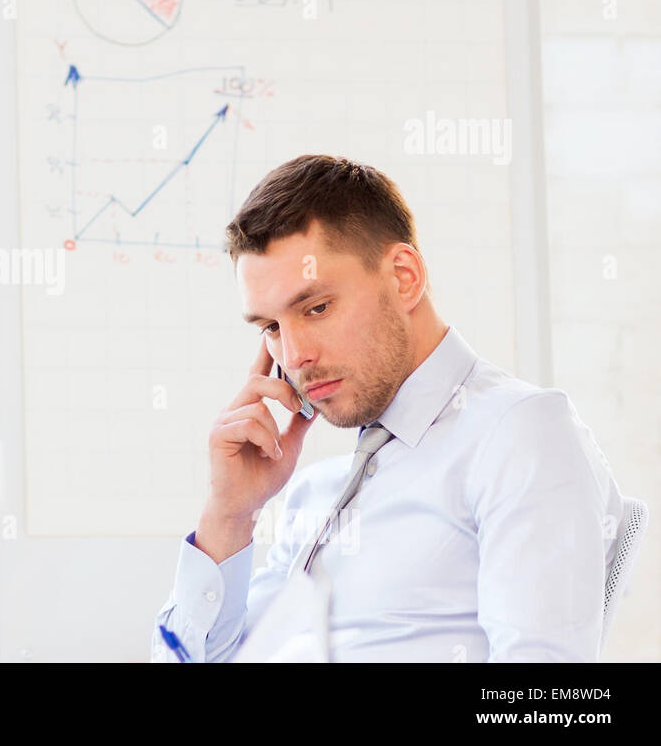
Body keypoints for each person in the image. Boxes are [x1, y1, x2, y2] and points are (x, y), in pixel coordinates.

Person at [153, 155, 623, 662]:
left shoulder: (518, 432)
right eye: (271, 327)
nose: (293, 357)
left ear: (403, 277)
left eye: (316, 308)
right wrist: (228, 516)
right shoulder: (314, 492)